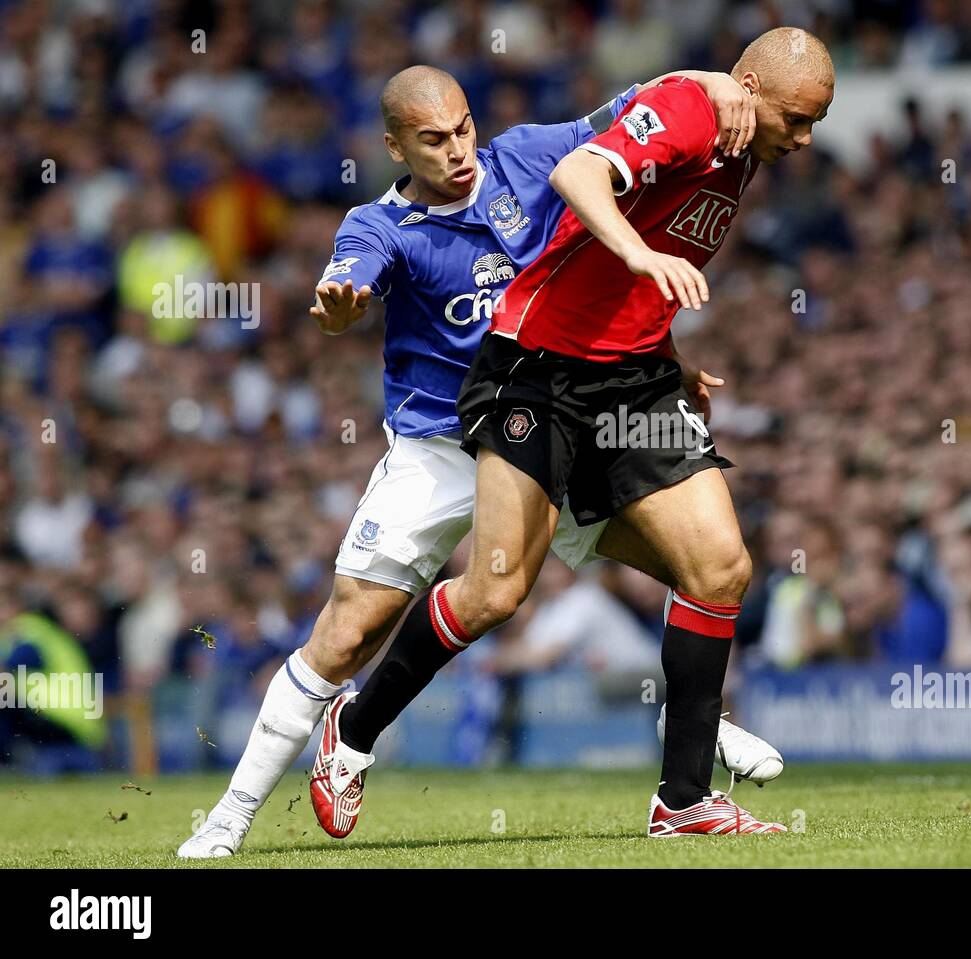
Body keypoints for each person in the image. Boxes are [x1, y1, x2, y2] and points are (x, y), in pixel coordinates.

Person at [178, 63, 775, 859]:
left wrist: (714, 76)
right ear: (394, 144)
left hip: (551, 417)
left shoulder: (527, 154)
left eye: (463, 127)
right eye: (433, 139)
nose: (459, 149)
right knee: (351, 631)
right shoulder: (378, 226)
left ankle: (692, 737)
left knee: (702, 566)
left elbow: (637, 107)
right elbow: (343, 284)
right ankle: (231, 815)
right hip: (440, 444)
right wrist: (339, 306)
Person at [312, 27, 834, 838]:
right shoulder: (695, 113)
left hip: (634, 376)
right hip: (538, 366)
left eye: (814, 125)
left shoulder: (744, 144)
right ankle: (352, 731)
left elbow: (642, 247)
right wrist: (638, 257)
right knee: (495, 592)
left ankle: (685, 800)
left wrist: (666, 350)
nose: (802, 140)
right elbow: (578, 171)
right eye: (796, 119)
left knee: (719, 567)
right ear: (750, 88)